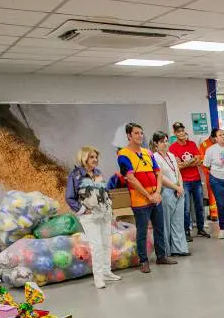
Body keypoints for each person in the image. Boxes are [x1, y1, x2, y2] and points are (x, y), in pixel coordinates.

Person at [117, 123, 175, 273]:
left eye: (141, 133)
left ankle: (161, 256)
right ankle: (144, 260)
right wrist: (149, 195)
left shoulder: (148, 152)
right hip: (140, 201)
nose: (140, 136)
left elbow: (159, 173)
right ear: (129, 136)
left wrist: (157, 193)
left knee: (159, 228)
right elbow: (131, 178)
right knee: (142, 231)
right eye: (136, 133)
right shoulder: (123, 154)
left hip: (155, 197)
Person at [65, 146, 121, 289]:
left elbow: (104, 191)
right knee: (96, 245)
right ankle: (98, 277)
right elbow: (70, 197)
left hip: (104, 214)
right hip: (89, 217)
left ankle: (107, 271)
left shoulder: (98, 172)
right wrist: (83, 210)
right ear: (84, 158)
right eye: (91, 157)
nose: (95, 160)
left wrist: (109, 206)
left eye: (96, 157)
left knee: (106, 243)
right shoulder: (76, 175)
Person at [152, 130, 189, 257]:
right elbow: (160, 177)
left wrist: (180, 186)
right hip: (166, 191)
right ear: (156, 144)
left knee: (178, 222)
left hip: (178, 191)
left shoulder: (171, 155)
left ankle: (179, 248)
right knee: (166, 223)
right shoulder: (155, 157)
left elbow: (178, 172)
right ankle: (166, 251)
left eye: (166, 141)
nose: (165, 144)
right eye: (162, 142)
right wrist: (175, 187)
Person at [169, 122, 209, 240]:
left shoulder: (191, 144)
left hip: (196, 179)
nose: (181, 133)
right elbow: (178, 166)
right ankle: (186, 232)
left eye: (182, 130)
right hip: (184, 181)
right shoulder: (173, 148)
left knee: (200, 206)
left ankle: (200, 229)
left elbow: (199, 160)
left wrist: (186, 162)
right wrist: (191, 161)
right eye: (178, 131)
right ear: (175, 134)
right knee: (185, 209)